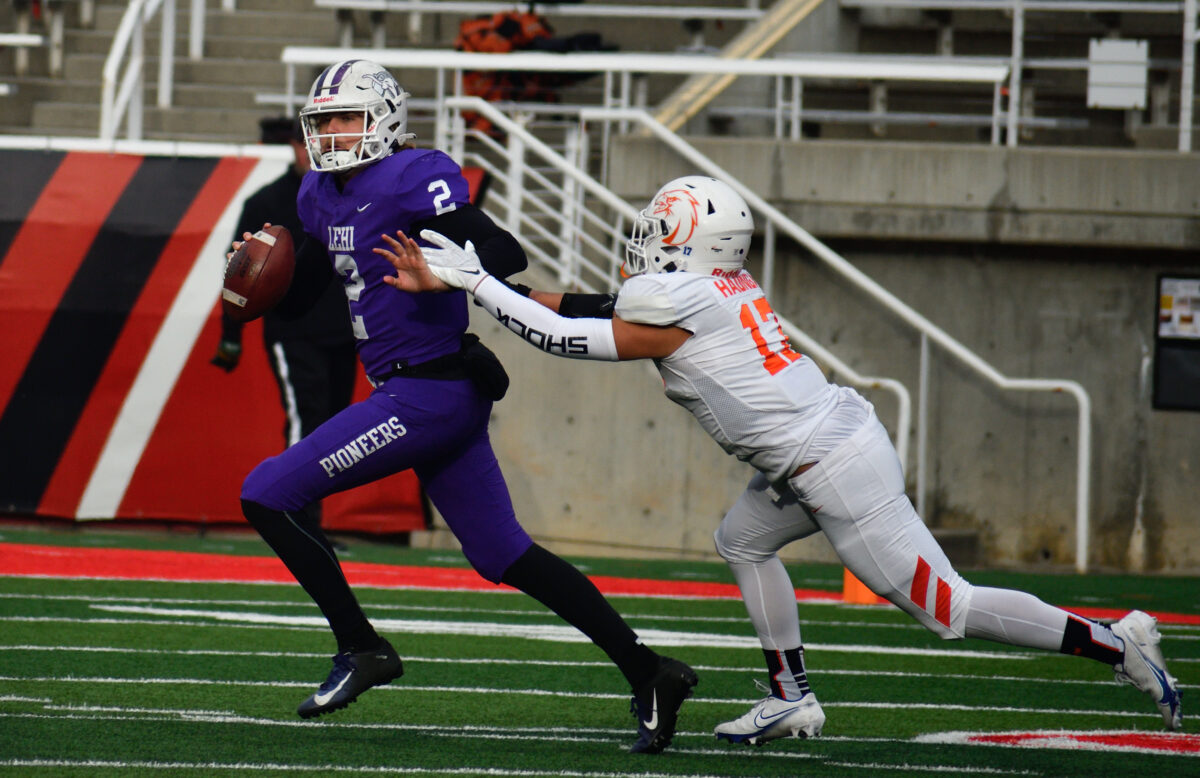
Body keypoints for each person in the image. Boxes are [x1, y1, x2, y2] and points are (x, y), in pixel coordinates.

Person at [377, 174, 1183, 745]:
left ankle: (1118, 644)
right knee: (743, 539)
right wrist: (464, 287)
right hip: (818, 445)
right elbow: (584, 306)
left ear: (690, 241)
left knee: (947, 610)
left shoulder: (680, 304)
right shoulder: (708, 288)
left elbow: (567, 339)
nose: (646, 239)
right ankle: (791, 699)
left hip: (831, 464)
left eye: (661, 229)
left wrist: (478, 284)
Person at [232, 59, 697, 755]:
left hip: (429, 392)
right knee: (502, 553)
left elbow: (501, 250)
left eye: (346, 118)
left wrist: (446, 266)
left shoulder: (413, 176)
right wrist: (256, 274)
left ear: (384, 120)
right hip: (425, 390)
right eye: (322, 121)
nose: (331, 134)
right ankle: (650, 671)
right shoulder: (315, 196)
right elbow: (309, 296)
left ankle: (360, 647)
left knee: (266, 492)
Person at [212, 116, 358, 537]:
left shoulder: (345, 194)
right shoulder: (266, 202)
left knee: (334, 425)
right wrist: (231, 336)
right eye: (303, 142)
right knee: (305, 420)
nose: (308, 151)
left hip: (342, 331)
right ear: (293, 146)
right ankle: (299, 521)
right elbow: (238, 275)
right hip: (293, 331)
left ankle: (308, 519)